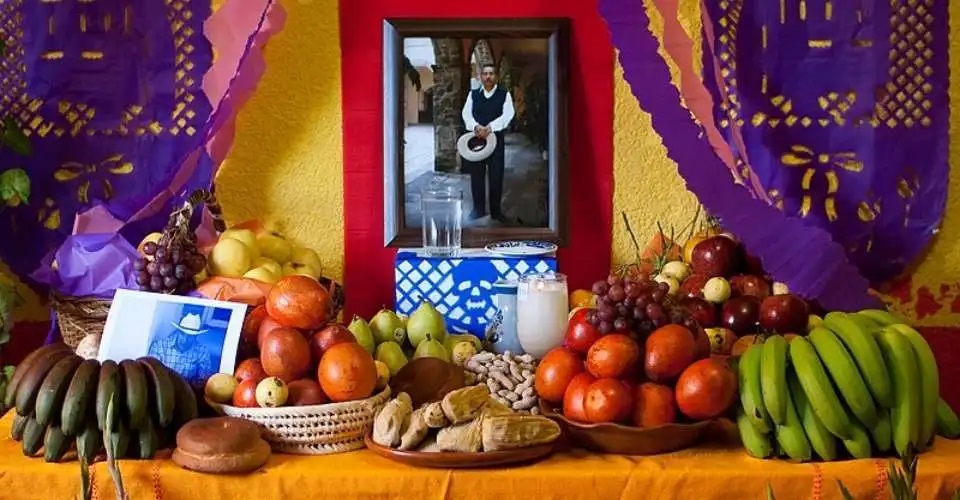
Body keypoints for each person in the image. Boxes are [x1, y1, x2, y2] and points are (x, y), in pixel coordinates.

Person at [461, 63, 515, 222]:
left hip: (495, 140)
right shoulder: (473, 95)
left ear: (495, 76)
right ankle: (478, 209)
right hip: (476, 140)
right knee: (476, 175)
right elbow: (466, 114)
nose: (488, 76)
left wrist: (491, 127)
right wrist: (476, 126)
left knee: (496, 176)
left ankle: (496, 211)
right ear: (480, 77)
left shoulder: (504, 95)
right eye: (485, 74)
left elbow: (508, 115)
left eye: (491, 73)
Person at [147, 310, 219, 388]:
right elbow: (152, 374)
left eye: (190, 336)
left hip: (187, 391)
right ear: (177, 331)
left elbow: (202, 380)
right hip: (162, 388)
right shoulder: (159, 346)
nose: (185, 340)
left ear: (196, 337)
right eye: (182, 334)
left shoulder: (202, 352)